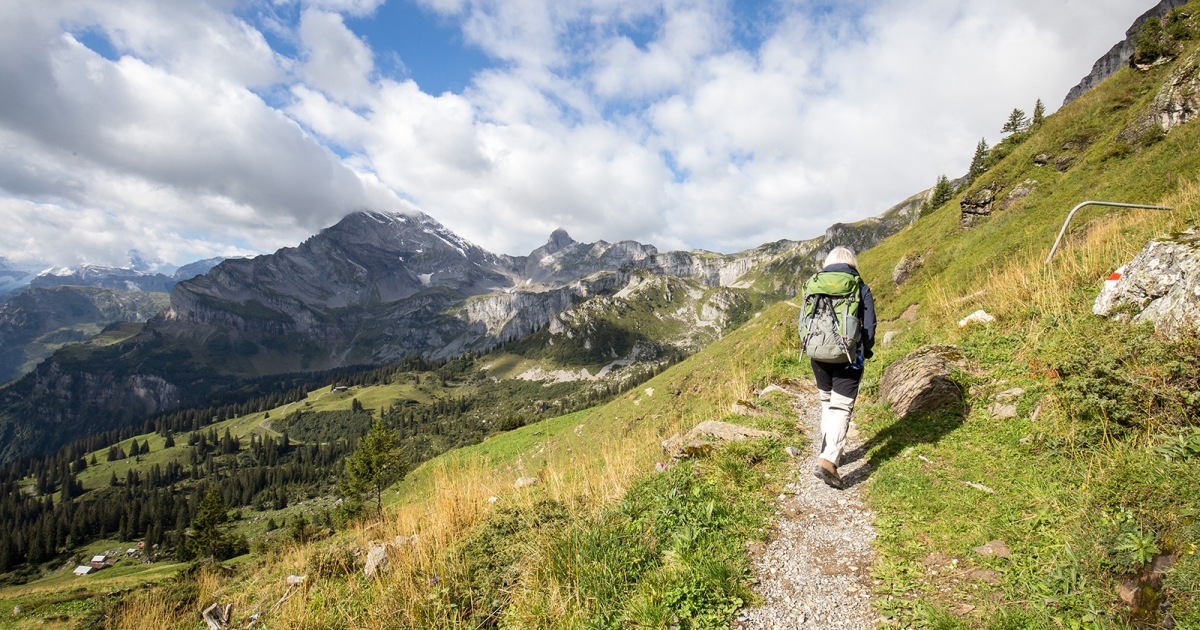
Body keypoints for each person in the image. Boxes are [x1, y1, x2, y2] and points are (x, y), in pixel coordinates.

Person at [806, 247, 875, 490]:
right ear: (851, 263)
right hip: (848, 355)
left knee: (827, 401)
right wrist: (866, 350)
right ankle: (828, 461)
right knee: (841, 405)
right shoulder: (859, 286)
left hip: (817, 355)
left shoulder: (815, 284)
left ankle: (829, 448)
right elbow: (868, 325)